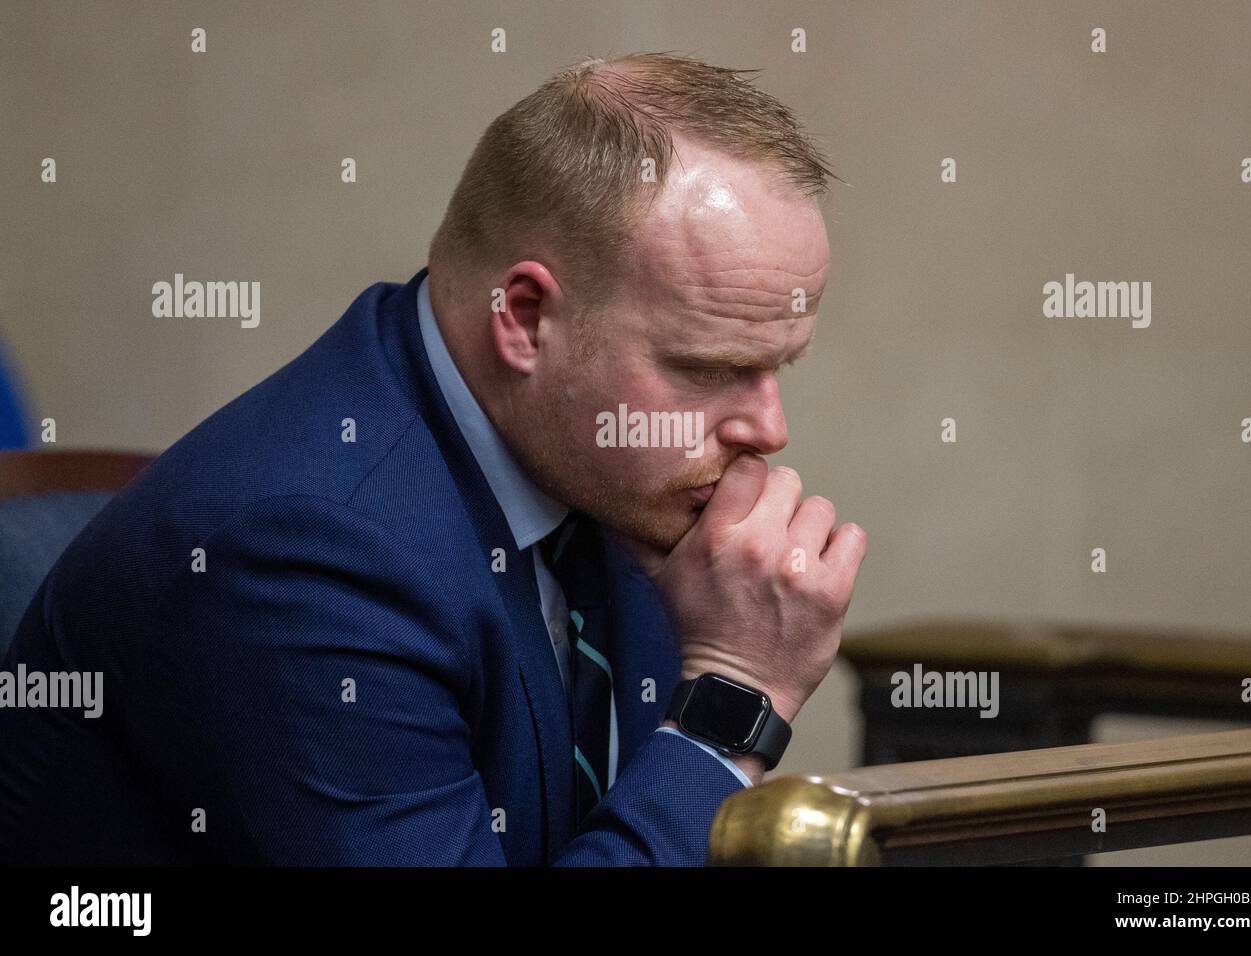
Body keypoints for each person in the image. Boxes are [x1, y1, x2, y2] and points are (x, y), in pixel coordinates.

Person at [0, 52, 866, 865]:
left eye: (775, 366)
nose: (768, 427)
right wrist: (734, 697)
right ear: (524, 318)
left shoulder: (608, 474)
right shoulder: (304, 549)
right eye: (709, 368)